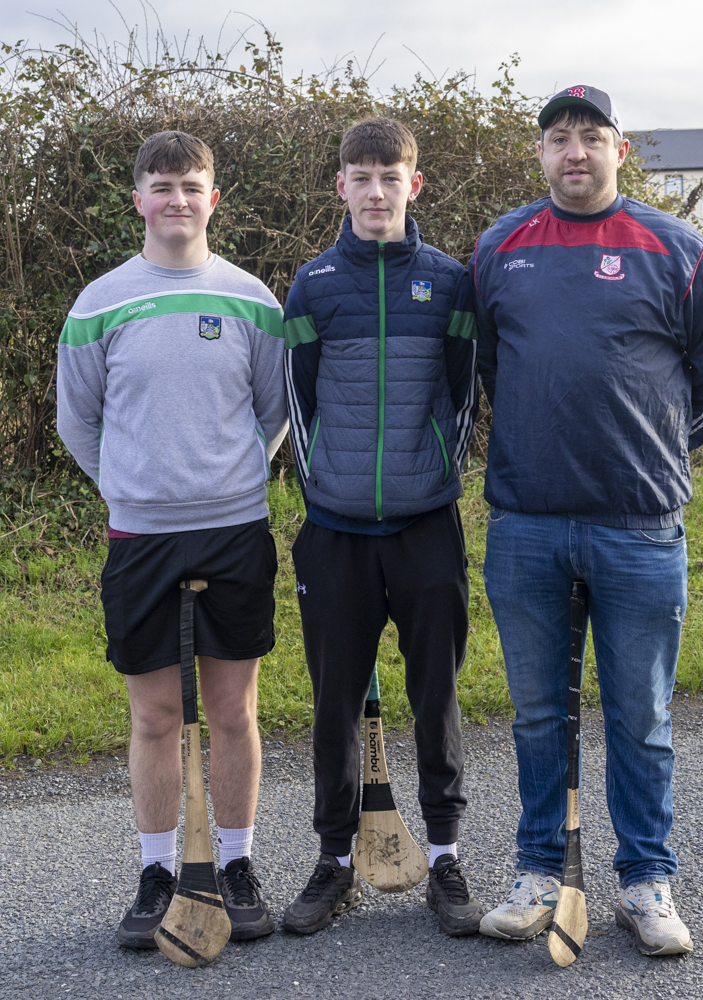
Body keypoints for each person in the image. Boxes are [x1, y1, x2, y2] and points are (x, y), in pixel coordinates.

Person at [470, 86, 703, 956]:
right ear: (542, 154)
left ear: (621, 151)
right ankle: (536, 872)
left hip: (640, 528)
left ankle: (645, 882)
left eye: (591, 137)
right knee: (537, 714)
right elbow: (483, 373)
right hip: (528, 526)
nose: (575, 152)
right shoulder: (499, 249)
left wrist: (661, 450)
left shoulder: (678, 248)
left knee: (641, 716)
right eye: (559, 138)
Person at [56, 131, 289, 949]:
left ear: (213, 198)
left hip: (234, 532)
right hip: (142, 537)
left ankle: (234, 864)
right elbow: (76, 420)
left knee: (232, 709)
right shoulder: (100, 302)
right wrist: (129, 488)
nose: (178, 200)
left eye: (192, 186)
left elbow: (274, 410)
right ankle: (158, 873)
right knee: (155, 716)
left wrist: (229, 481)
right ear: (138, 200)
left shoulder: (253, 298)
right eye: (162, 187)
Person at [271, 117, 484, 937]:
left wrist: (436, 477)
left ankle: (443, 858)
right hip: (334, 530)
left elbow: (463, 399)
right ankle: (334, 861)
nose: (374, 191)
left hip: (427, 526)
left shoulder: (451, 282)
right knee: (333, 704)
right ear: (341, 188)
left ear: (413, 186)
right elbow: (299, 402)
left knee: (437, 696)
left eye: (389, 177)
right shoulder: (314, 284)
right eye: (359, 177)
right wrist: (323, 488)